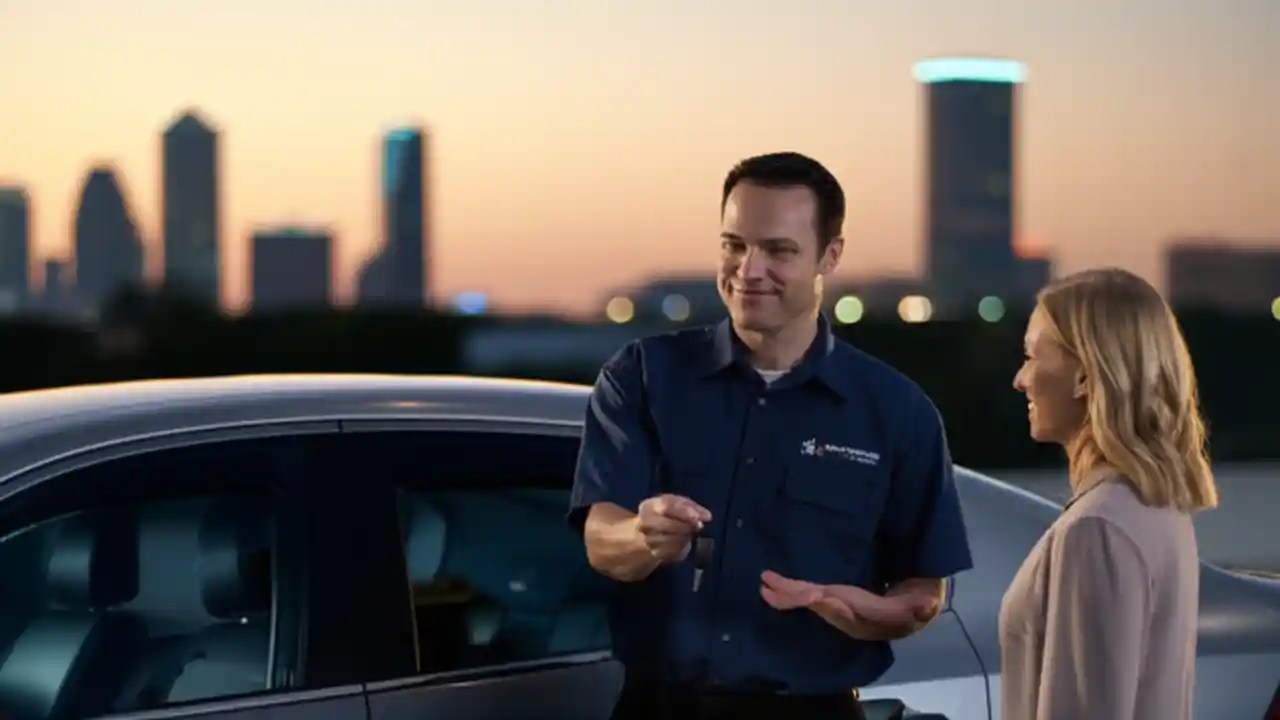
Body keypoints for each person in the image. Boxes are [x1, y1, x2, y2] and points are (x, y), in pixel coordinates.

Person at [567, 151, 974, 720]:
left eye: (779, 250)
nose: (748, 269)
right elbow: (600, 538)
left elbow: (922, 595)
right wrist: (643, 535)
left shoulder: (897, 412)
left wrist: (859, 610)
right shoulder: (642, 378)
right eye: (734, 244)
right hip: (659, 707)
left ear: (829, 256)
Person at [1002, 268, 1219, 720]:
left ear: (1085, 374)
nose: (1020, 379)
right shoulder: (1154, 509)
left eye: (1031, 356)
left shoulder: (1096, 528)